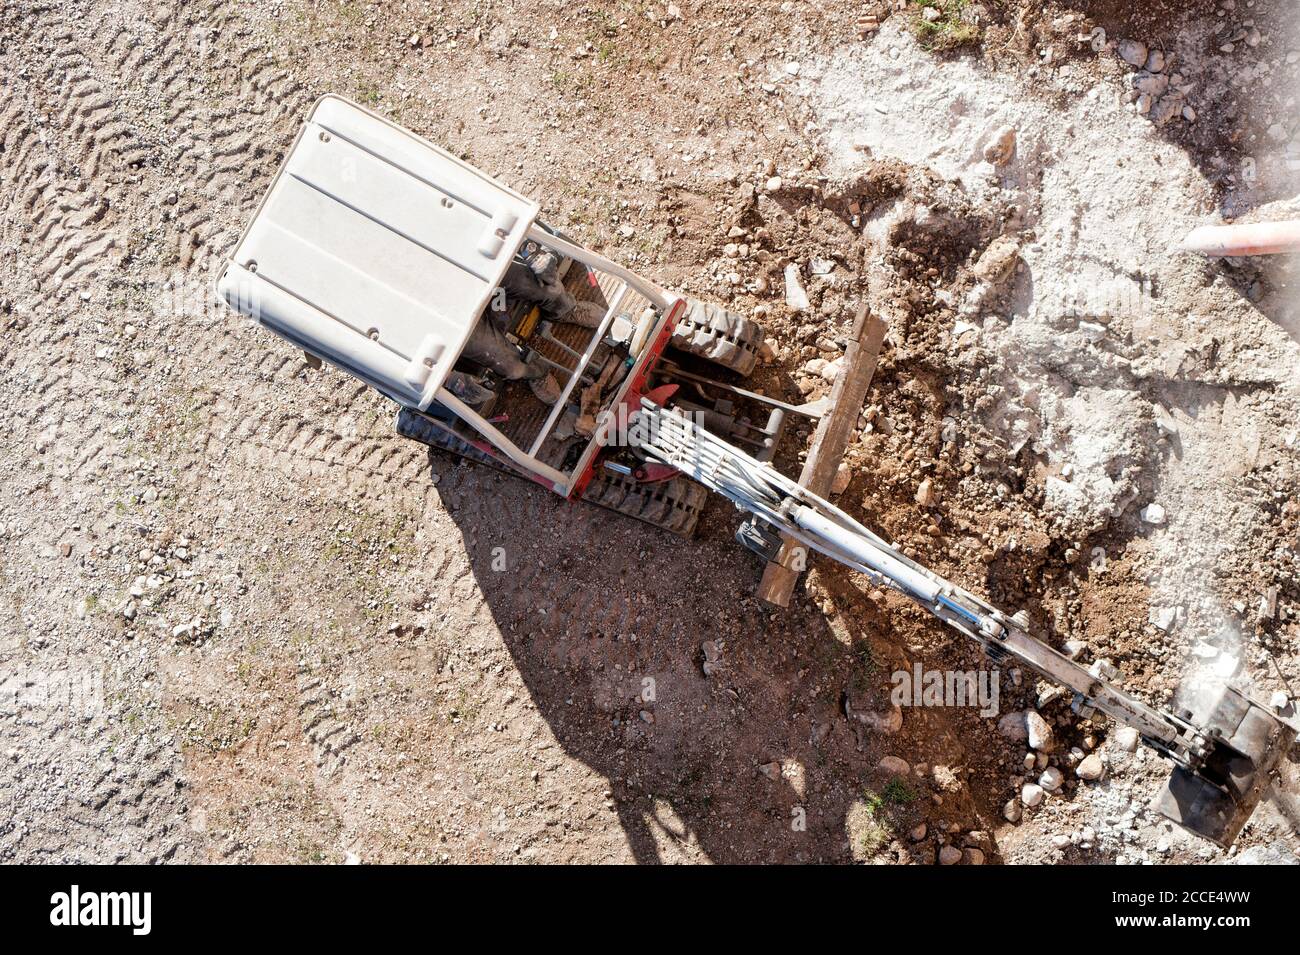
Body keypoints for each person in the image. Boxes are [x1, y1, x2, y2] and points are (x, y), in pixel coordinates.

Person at [461, 252, 602, 405]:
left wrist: (529, 251)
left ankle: (564, 309)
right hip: (450, 319)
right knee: (509, 366)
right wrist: (451, 379)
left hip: (468, 263)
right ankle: (535, 371)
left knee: (539, 282)